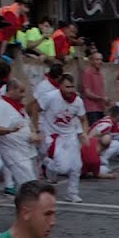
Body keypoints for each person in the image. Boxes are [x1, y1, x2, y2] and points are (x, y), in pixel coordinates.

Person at [0, 78, 38, 205]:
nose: (23, 95)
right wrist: (10, 130)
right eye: (21, 91)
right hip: (14, 153)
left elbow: (27, 124)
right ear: (11, 90)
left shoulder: (17, 106)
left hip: (26, 151)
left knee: (30, 186)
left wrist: (34, 134)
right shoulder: (0, 105)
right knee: (30, 187)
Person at [37, 74, 87, 203]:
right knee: (62, 168)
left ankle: (72, 193)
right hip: (53, 136)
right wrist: (37, 129)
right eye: (67, 87)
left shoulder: (78, 101)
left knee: (77, 166)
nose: (70, 90)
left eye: (72, 87)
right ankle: (46, 162)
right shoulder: (50, 97)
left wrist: (83, 134)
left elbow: (83, 118)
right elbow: (33, 108)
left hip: (70, 135)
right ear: (60, 86)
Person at [81, 49, 108, 126]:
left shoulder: (100, 74)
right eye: (97, 59)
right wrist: (101, 98)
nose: (100, 62)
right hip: (91, 109)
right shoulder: (87, 72)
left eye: (101, 59)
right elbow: (87, 92)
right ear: (91, 61)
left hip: (100, 108)